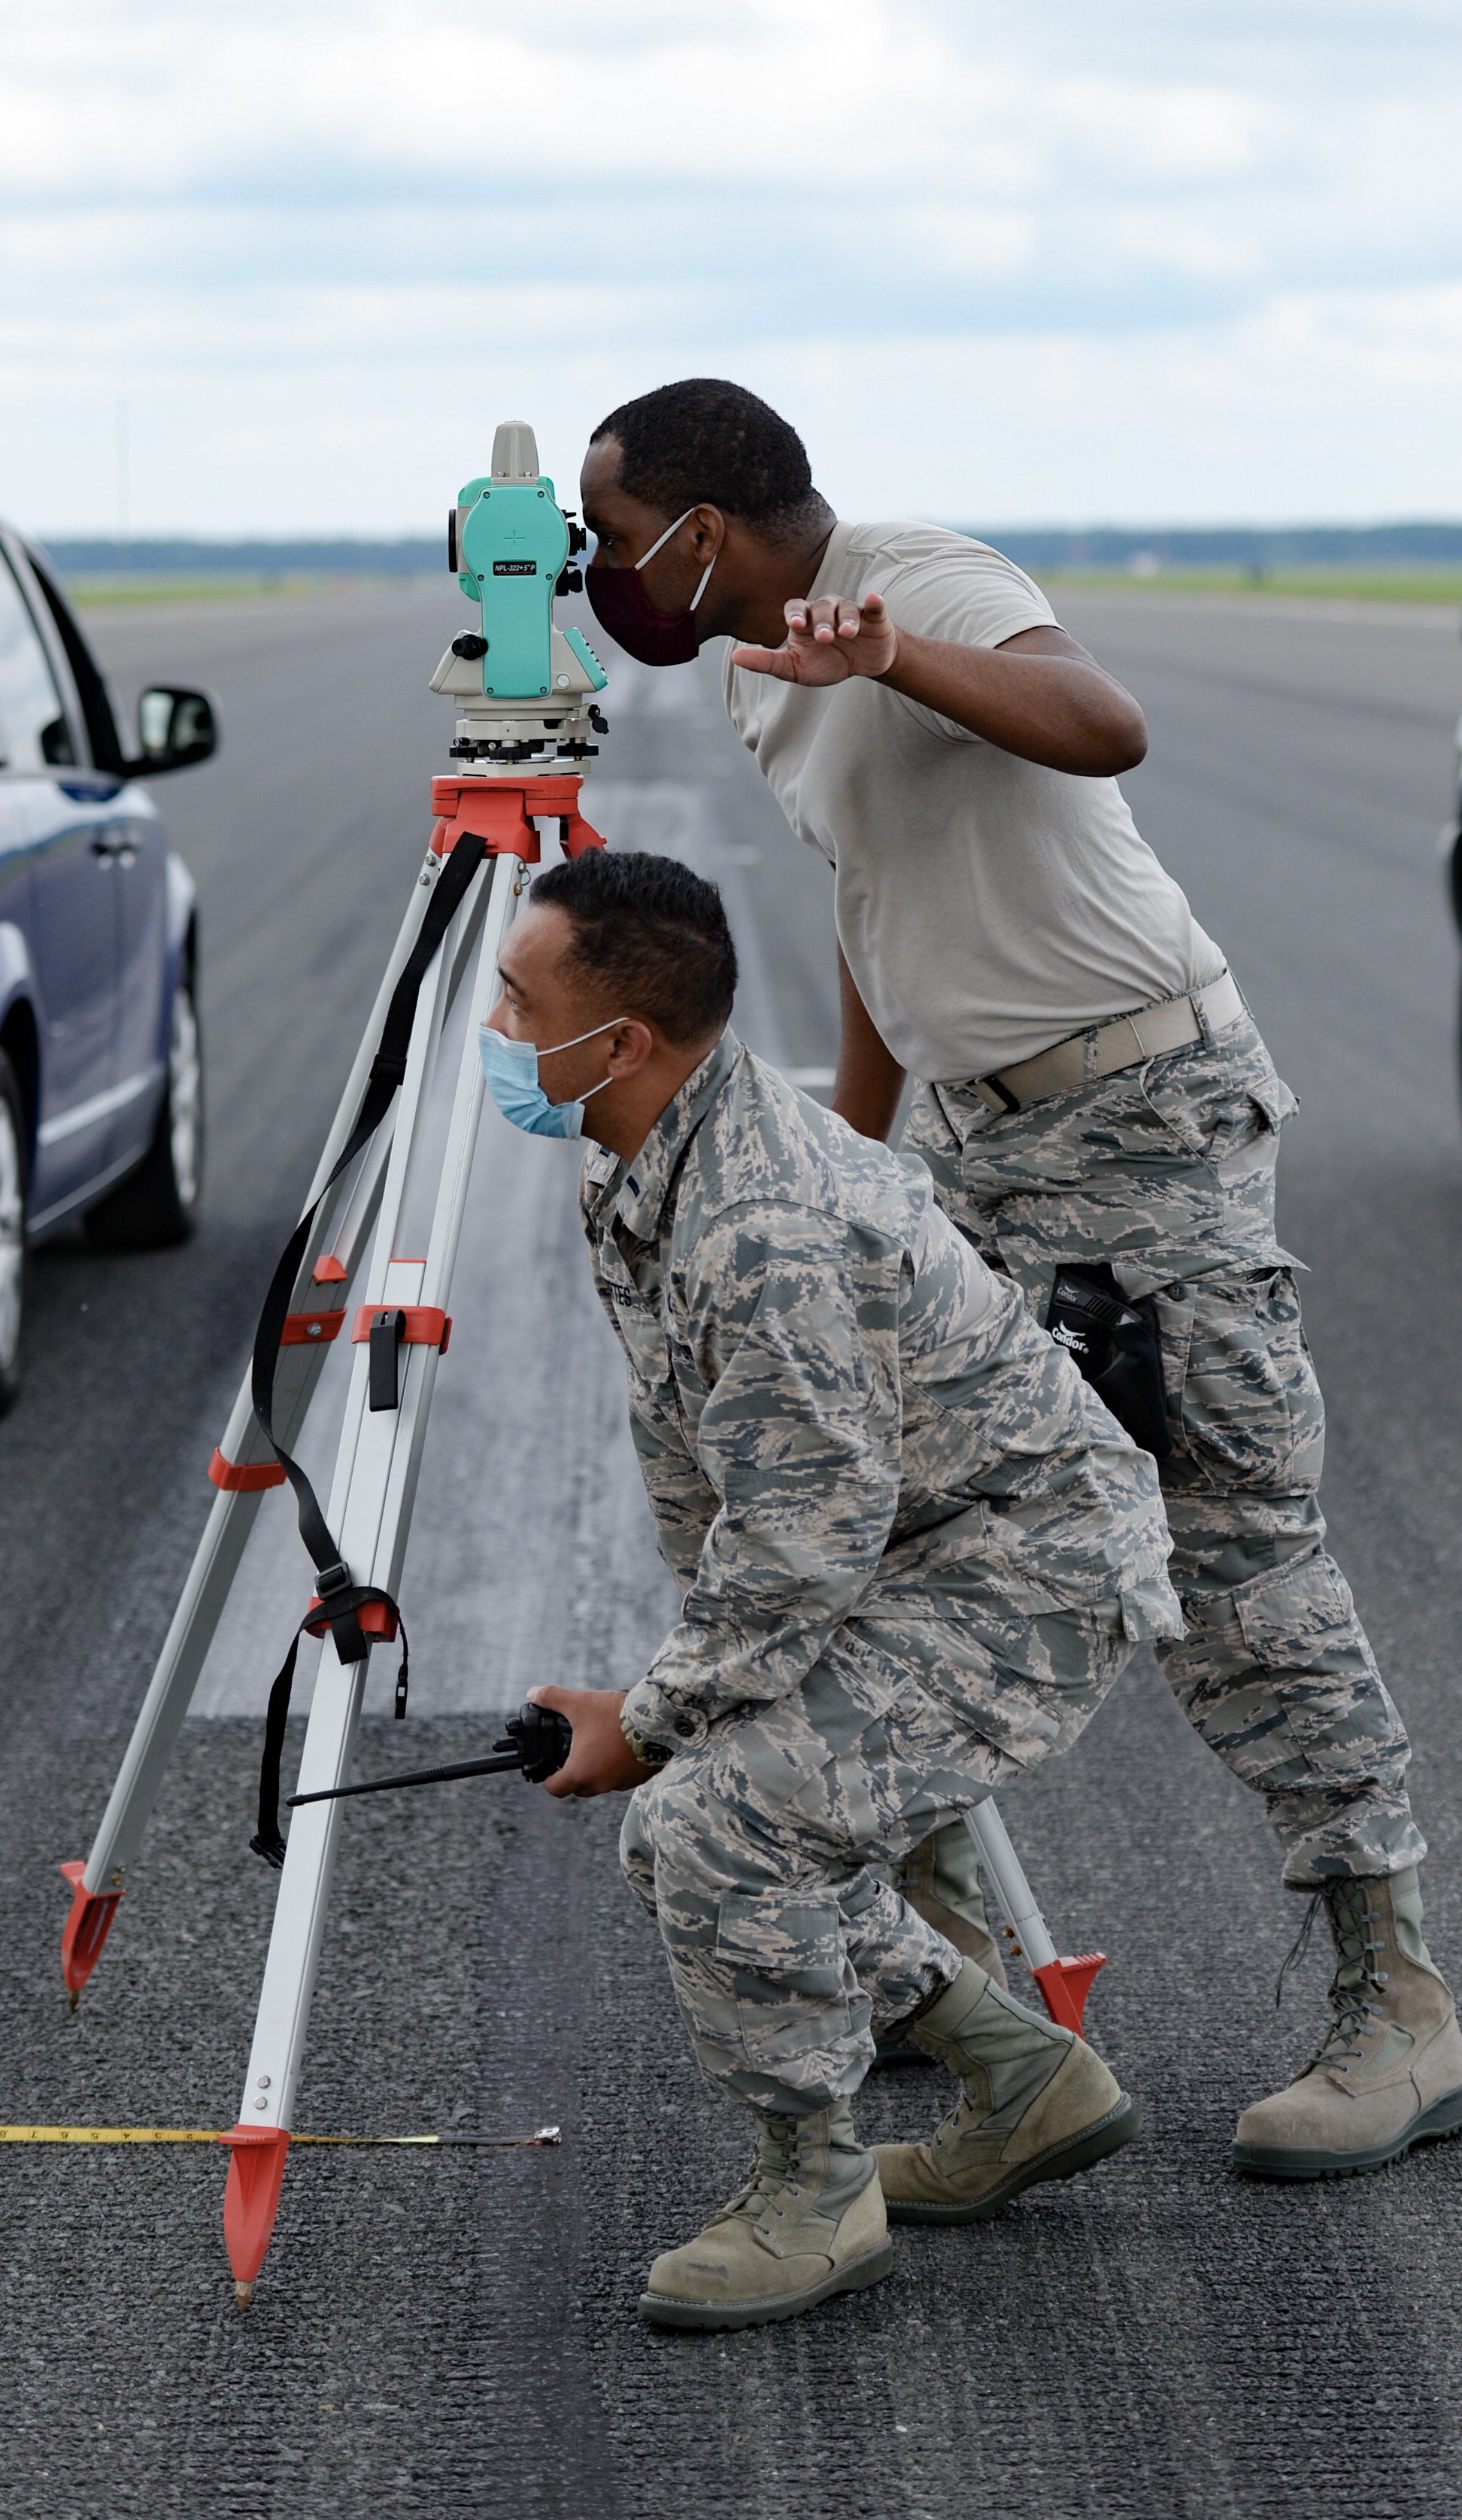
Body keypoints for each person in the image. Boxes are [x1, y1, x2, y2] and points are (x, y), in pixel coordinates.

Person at [573, 380, 1462, 2181]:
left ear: (709, 527)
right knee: (874, 1531)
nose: (602, 573)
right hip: (965, 1148)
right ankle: (950, 2001)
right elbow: (869, 897)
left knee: (1233, 1558)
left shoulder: (924, 578)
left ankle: (1398, 2013)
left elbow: (1099, 723)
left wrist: (894, 655)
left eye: (613, 537)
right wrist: (853, 1142)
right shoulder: (759, 676)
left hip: (1138, 1112)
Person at [497, 848, 1178, 2331]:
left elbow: (804, 1529)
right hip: (915, 1543)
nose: (495, 1028)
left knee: (714, 1827)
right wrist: (699, 1702)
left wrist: (657, 1722)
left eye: (514, 999)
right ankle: (1026, 2080)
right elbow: (700, 1464)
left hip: (1022, 1564)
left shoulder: (762, 1226)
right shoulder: (638, 1154)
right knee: (709, 1818)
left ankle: (815, 2194)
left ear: (616, 1044)